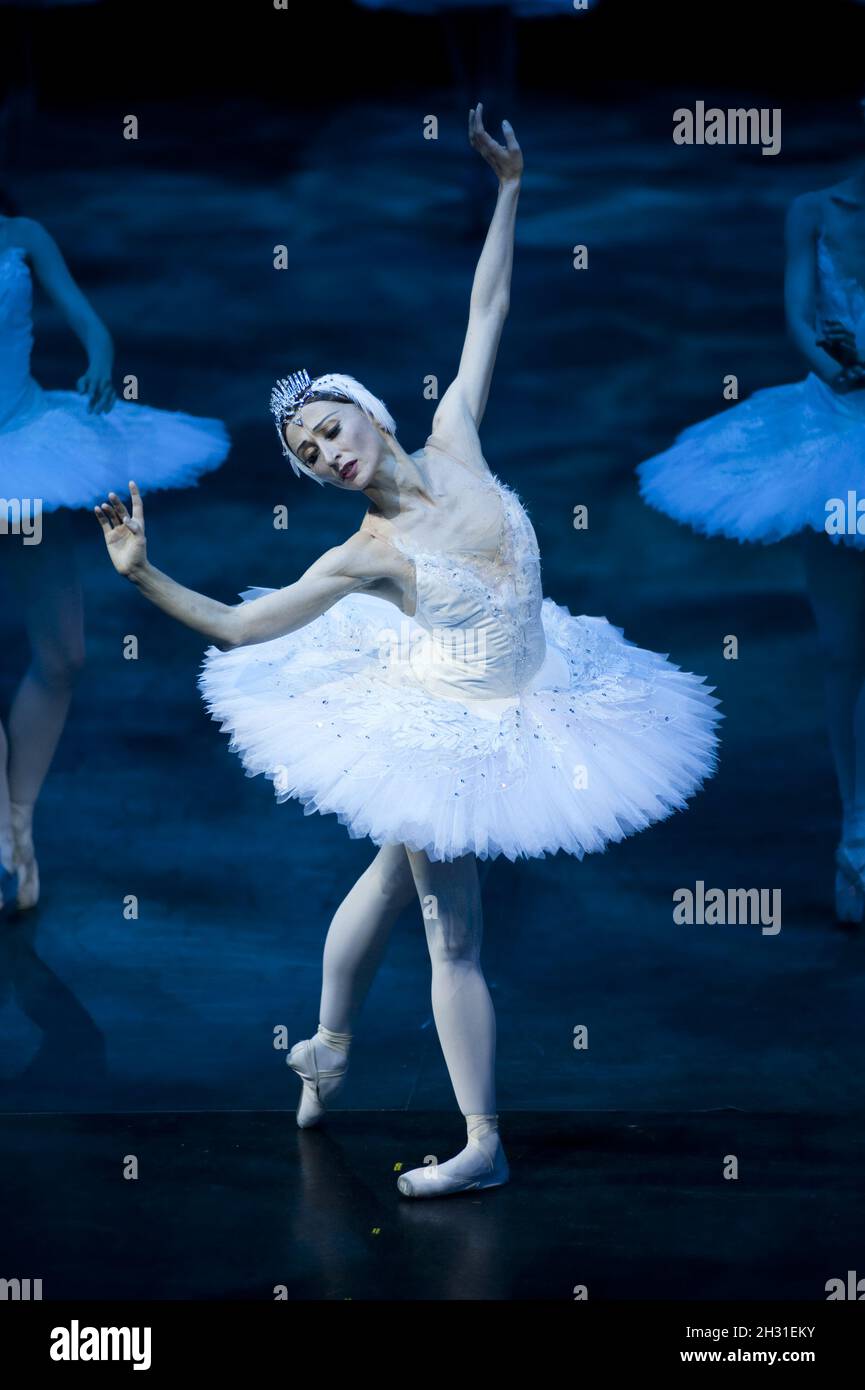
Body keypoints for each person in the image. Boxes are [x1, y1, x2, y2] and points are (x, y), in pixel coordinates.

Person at [95, 107, 720, 1197]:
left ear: (371, 414)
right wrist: (145, 575)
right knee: (454, 934)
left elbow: (488, 306)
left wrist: (513, 184)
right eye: (306, 453)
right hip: (448, 727)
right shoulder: (365, 557)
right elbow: (247, 626)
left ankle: (328, 1049)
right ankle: (483, 1139)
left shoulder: (457, 436)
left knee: (386, 877)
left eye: (331, 427)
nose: (327, 453)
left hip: (544, 686)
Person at [637, 100, 865, 925]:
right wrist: (835, 363)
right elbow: (801, 318)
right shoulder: (812, 210)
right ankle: (855, 844)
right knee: (844, 652)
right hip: (831, 434)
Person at [0, 195, 229, 911]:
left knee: (65, 655)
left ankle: (17, 824)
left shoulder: (23, 234)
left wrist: (99, 363)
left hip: (26, 452)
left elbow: (91, 327)